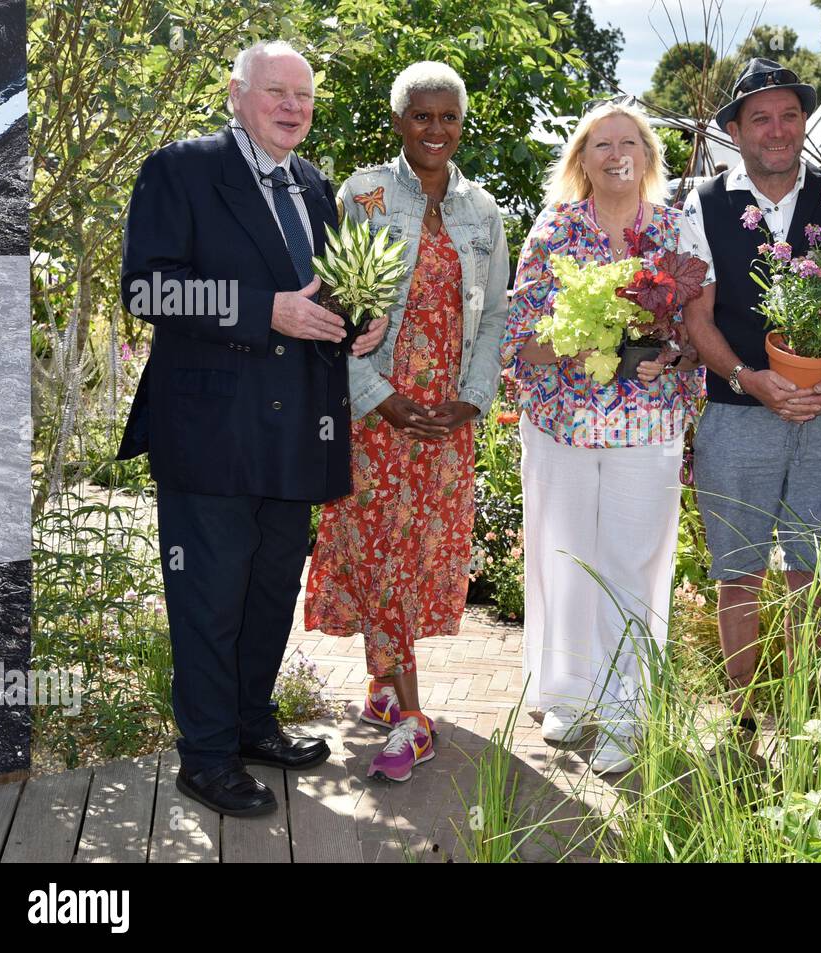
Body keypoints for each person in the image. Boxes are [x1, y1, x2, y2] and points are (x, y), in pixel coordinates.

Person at [116, 40, 388, 817]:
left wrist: (354, 327)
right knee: (209, 598)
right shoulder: (182, 168)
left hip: (297, 429)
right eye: (277, 92)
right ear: (238, 94)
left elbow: (325, 294)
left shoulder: (315, 185)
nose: (293, 108)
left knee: (270, 590)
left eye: (304, 96)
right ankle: (204, 756)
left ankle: (250, 724)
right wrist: (263, 310)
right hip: (210, 431)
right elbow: (149, 289)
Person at [304, 62, 509, 782]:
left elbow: (496, 322)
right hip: (379, 414)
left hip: (446, 420)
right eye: (421, 116)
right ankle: (414, 716)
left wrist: (473, 400)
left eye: (448, 117)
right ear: (398, 122)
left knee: (417, 551)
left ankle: (385, 685)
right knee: (383, 547)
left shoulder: (483, 212)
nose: (436, 130)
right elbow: (337, 313)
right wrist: (377, 395)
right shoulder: (363, 197)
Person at [679, 58, 821, 727]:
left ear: (803, 121)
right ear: (735, 130)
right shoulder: (705, 204)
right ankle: (741, 720)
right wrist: (748, 379)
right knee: (737, 573)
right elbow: (697, 318)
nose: (777, 129)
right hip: (739, 415)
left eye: (790, 114)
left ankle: (806, 721)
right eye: (759, 117)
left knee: (817, 574)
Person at [504, 102, 704, 774]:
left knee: (632, 562)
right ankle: (565, 693)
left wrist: (673, 354)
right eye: (600, 144)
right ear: (581, 161)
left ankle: (624, 710)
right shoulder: (554, 228)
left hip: (646, 428)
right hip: (563, 424)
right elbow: (519, 341)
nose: (616, 153)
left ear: (647, 156)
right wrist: (570, 342)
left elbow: (699, 333)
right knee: (564, 553)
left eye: (629, 142)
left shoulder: (677, 230)